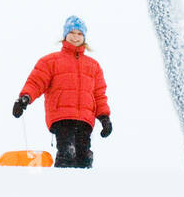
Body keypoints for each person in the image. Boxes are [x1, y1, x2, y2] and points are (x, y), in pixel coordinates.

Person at [12, 16, 112, 168]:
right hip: (62, 117)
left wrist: (104, 118)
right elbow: (36, 82)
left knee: (83, 158)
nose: (75, 36)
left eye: (79, 33)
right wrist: (25, 99)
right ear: (65, 35)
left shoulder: (93, 66)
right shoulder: (51, 61)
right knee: (67, 153)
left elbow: (99, 95)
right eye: (72, 32)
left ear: (84, 37)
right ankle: (60, 185)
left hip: (85, 120)